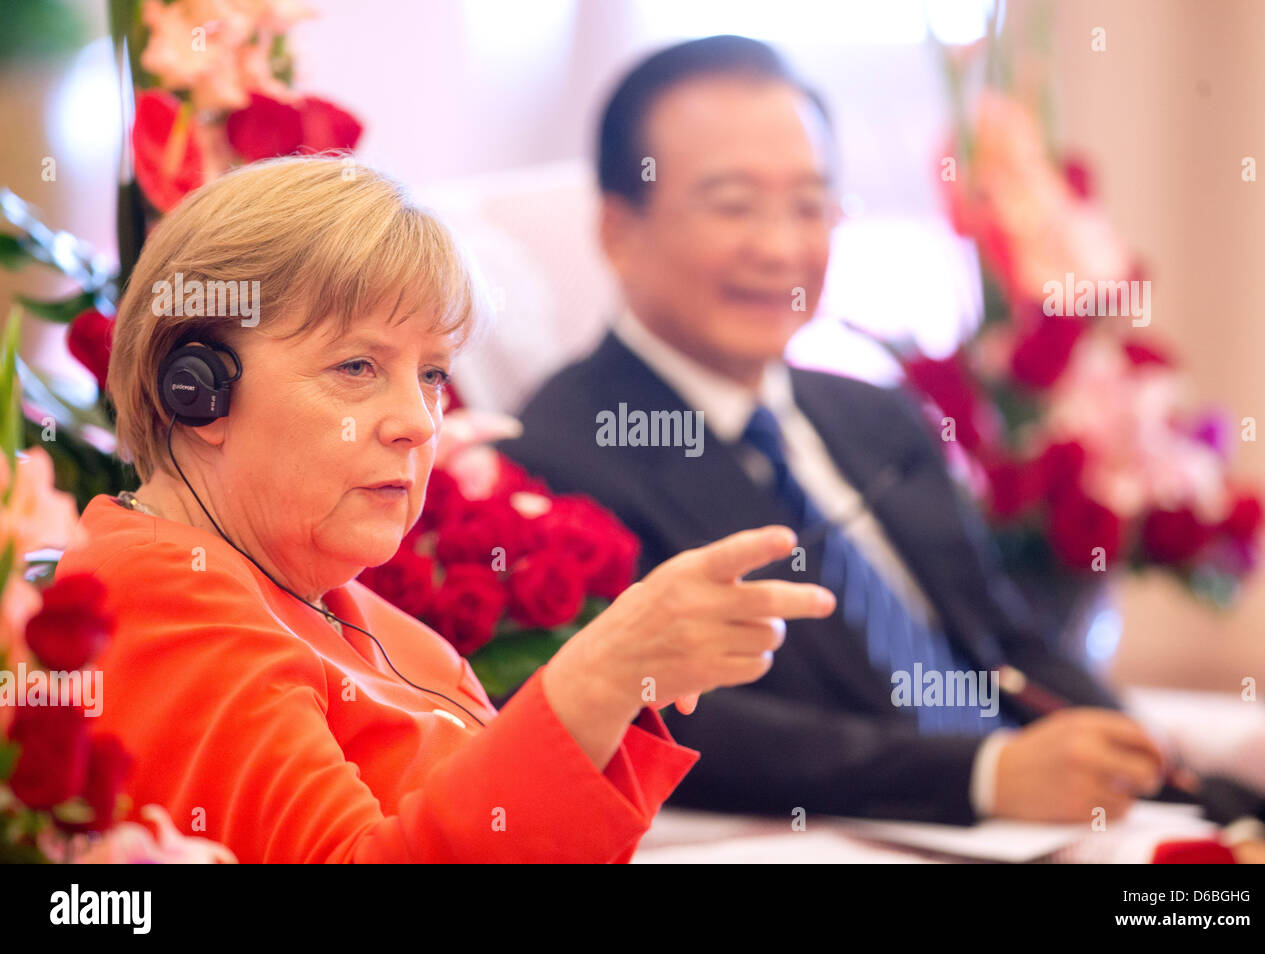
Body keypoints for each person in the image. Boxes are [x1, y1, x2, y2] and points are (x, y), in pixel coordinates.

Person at [53, 154, 837, 863]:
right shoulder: (157, 588)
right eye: (357, 366)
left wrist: (615, 696)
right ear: (196, 392)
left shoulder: (356, 612)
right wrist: (593, 682)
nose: (421, 422)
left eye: (431, 373)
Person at [499, 35, 1180, 825]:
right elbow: (689, 724)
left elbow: (998, 632)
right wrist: (983, 775)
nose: (782, 246)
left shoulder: (874, 416)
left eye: (809, 204)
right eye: (733, 204)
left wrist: (1139, 748)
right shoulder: (561, 449)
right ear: (618, 231)